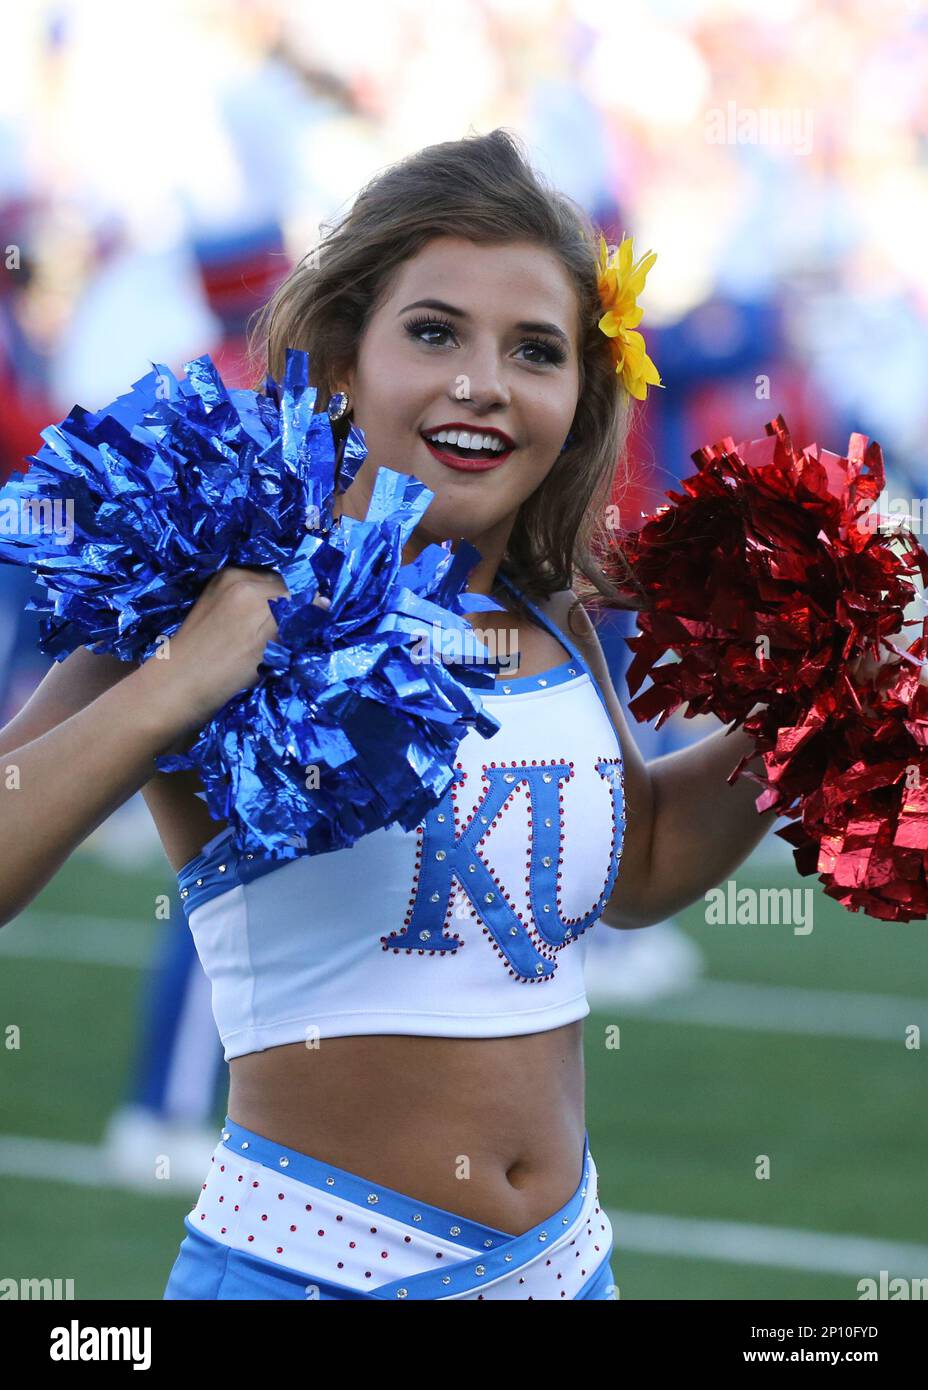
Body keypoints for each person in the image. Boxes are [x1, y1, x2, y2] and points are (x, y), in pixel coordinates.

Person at [0, 129, 777, 1300]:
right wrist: (177, 683)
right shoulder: (211, 573)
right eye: (433, 332)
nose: (482, 382)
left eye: (536, 349)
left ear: (580, 392)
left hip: (568, 1268)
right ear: (345, 357)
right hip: (307, 1267)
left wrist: (798, 719)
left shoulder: (551, 610)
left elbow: (644, 865)